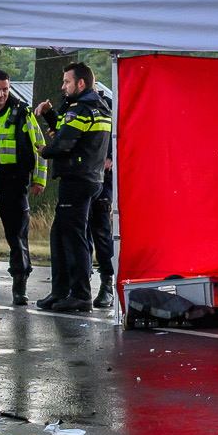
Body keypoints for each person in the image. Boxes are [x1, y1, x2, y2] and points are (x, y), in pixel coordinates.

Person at [36, 62, 110, 312]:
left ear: (81, 83)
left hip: (77, 180)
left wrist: (44, 150)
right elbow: (67, 132)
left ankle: (80, 294)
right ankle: (60, 291)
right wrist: (50, 114)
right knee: (59, 235)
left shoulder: (82, 109)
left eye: (67, 82)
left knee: (74, 238)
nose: (62, 86)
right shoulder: (98, 107)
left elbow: (63, 142)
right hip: (88, 178)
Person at [0, 69, 46, 306]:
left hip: (14, 180)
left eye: (5, 89)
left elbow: (40, 146)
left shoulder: (22, 113)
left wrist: (39, 179)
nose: (2, 94)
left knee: (17, 236)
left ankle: (19, 285)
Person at [87, 82, 115, 308]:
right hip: (80, 176)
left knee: (101, 230)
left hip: (103, 178)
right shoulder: (73, 105)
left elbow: (122, 134)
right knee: (77, 231)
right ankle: (80, 284)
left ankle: (107, 284)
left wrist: (111, 157)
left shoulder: (109, 107)